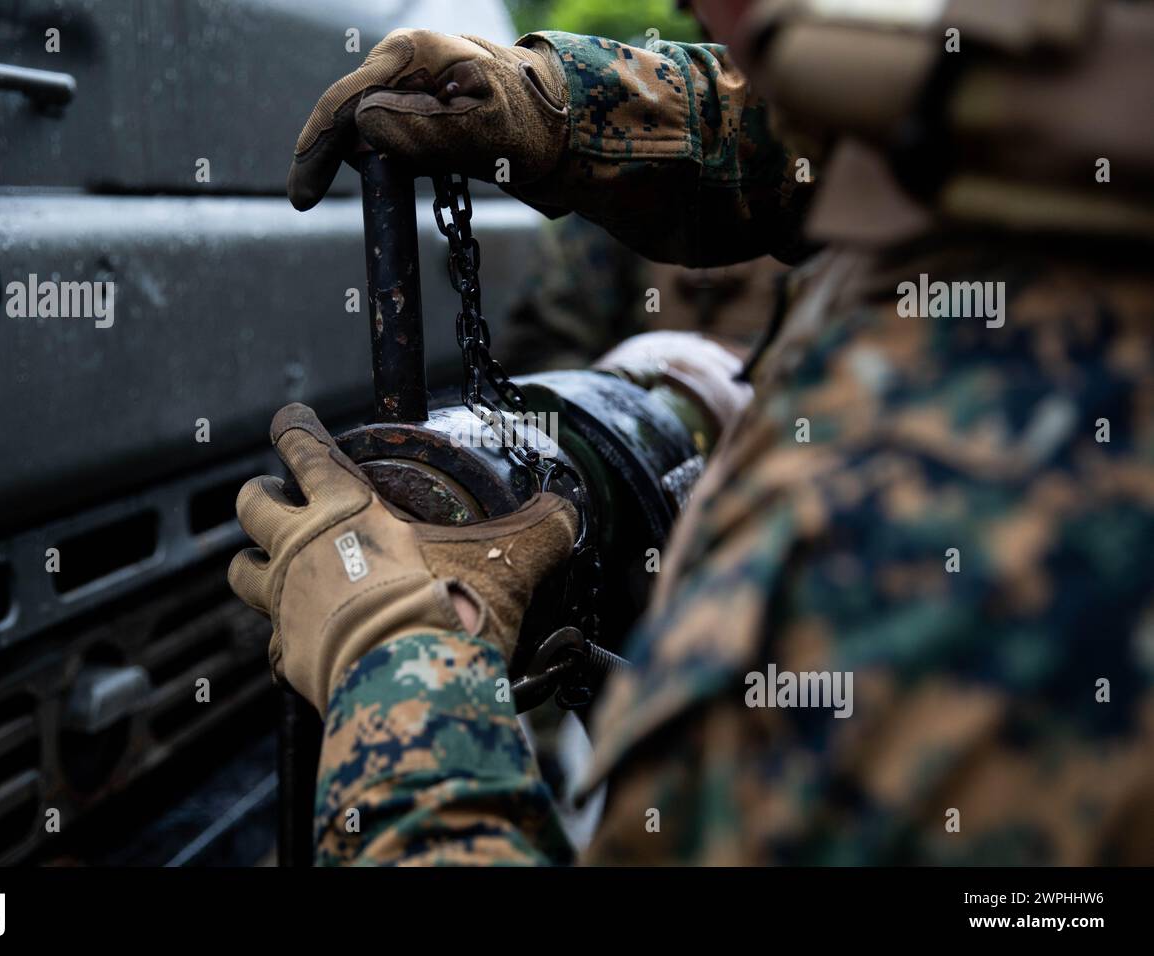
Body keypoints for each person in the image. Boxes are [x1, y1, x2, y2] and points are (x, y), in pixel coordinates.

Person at [229, 0, 1154, 864]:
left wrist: (395, 657)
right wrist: (558, 104)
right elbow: (848, 131)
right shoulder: (1061, 125)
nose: (707, 13)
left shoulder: (936, 551)